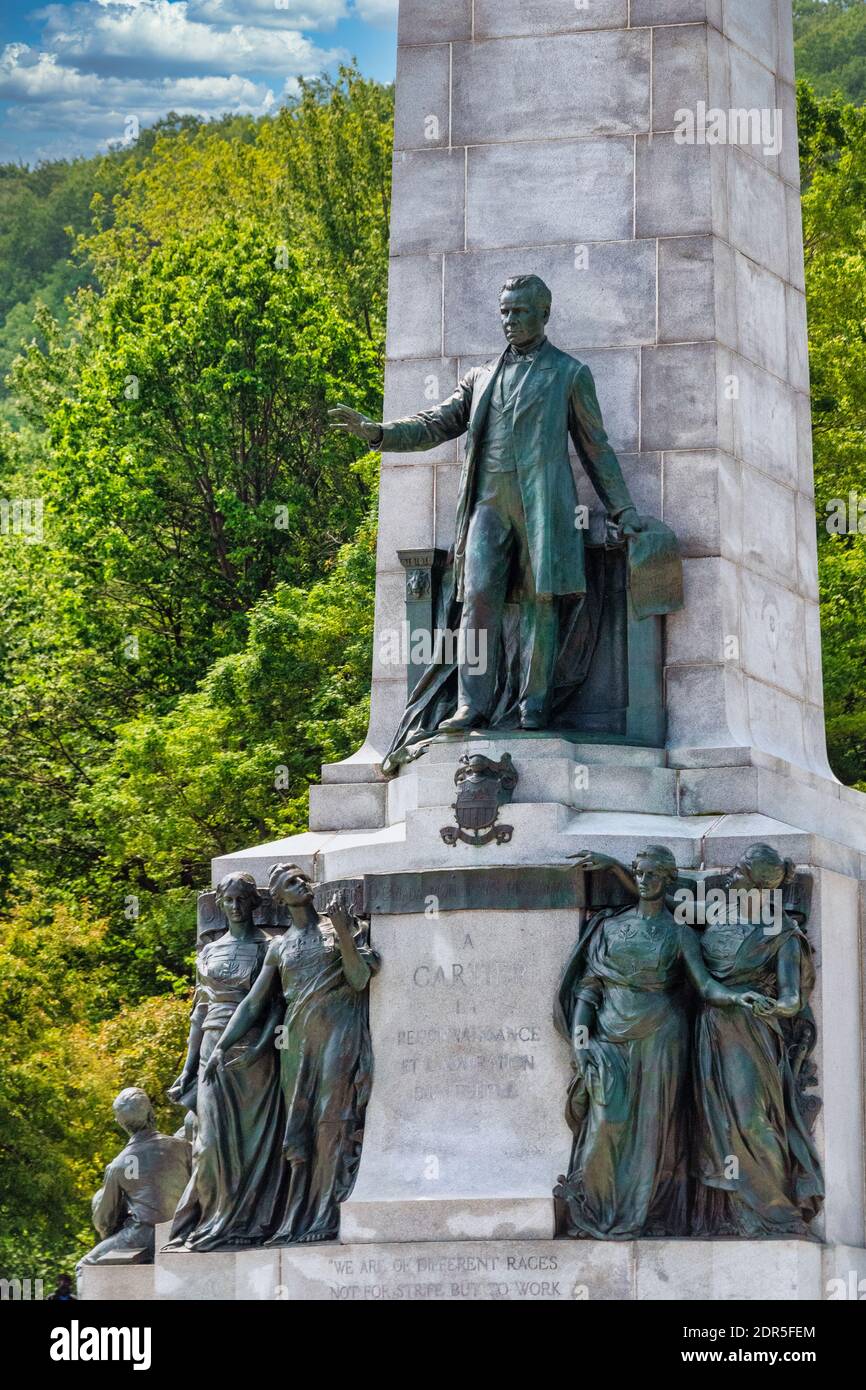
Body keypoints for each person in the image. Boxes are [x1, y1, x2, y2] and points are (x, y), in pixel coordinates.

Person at [330, 274, 644, 735]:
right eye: (505, 312)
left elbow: (596, 447)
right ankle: (470, 705)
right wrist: (379, 433)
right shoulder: (480, 378)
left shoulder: (569, 374)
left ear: (544, 313)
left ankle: (534, 704)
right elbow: (435, 423)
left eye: (519, 311)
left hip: (543, 507)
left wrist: (624, 511)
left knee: (542, 600)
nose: (510, 320)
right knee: (476, 597)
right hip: (488, 502)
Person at [555, 847, 767, 1239]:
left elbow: (704, 986)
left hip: (661, 1039)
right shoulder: (608, 928)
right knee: (607, 1122)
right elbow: (589, 988)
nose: (643, 880)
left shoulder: (681, 933)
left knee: (652, 1128)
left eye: (653, 875)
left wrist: (740, 997)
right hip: (609, 1037)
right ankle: (596, 1207)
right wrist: (581, 1041)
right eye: (638, 872)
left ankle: (643, 1211)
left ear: (668, 880)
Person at [205, 865, 380, 1245]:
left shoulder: (340, 929)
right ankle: (295, 1215)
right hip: (295, 1043)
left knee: (332, 1119)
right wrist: (220, 1045)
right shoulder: (279, 946)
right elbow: (253, 1004)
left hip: (339, 1034)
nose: (303, 885)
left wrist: (346, 934)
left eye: (303, 879)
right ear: (280, 899)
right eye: (292, 883)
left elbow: (360, 979)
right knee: (297, 1128)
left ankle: (326, 1213)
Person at [690, 844, 824, 1236]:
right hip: (711, 1026)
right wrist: (614, 870)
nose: (732, 873)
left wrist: (772, 1007)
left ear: (759, 882)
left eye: (741, 869)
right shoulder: (718, 911)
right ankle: (734, 1212)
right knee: (716, 1122)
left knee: (752, 1119)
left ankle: (779, 1210)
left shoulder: (779, 931)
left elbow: (792, 997)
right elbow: (662, 892)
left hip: (750, 1029)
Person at [165, 873, 286, 1252]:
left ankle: (246, 1223)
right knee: (210, 1142)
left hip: (252, 1054)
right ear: (220, 903)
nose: (235, 906)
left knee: (252, 1140)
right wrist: (187, 1069)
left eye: (242, 899)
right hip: (211, 1051)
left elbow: (274, 1009)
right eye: (229, 900)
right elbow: (199, 1014)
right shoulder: (208, 952)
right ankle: (215, 1217)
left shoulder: (270, 947)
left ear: (254, 903)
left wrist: (260, 1047)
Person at [77, 1088, 189, 1270]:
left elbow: (104, 1219)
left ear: (120, 1123)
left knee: (84, 1267)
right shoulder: (183, 1147)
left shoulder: (118, 1165)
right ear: (151, 1113)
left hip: (143, 1235)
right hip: (184, 1227)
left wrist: (112, 1236)